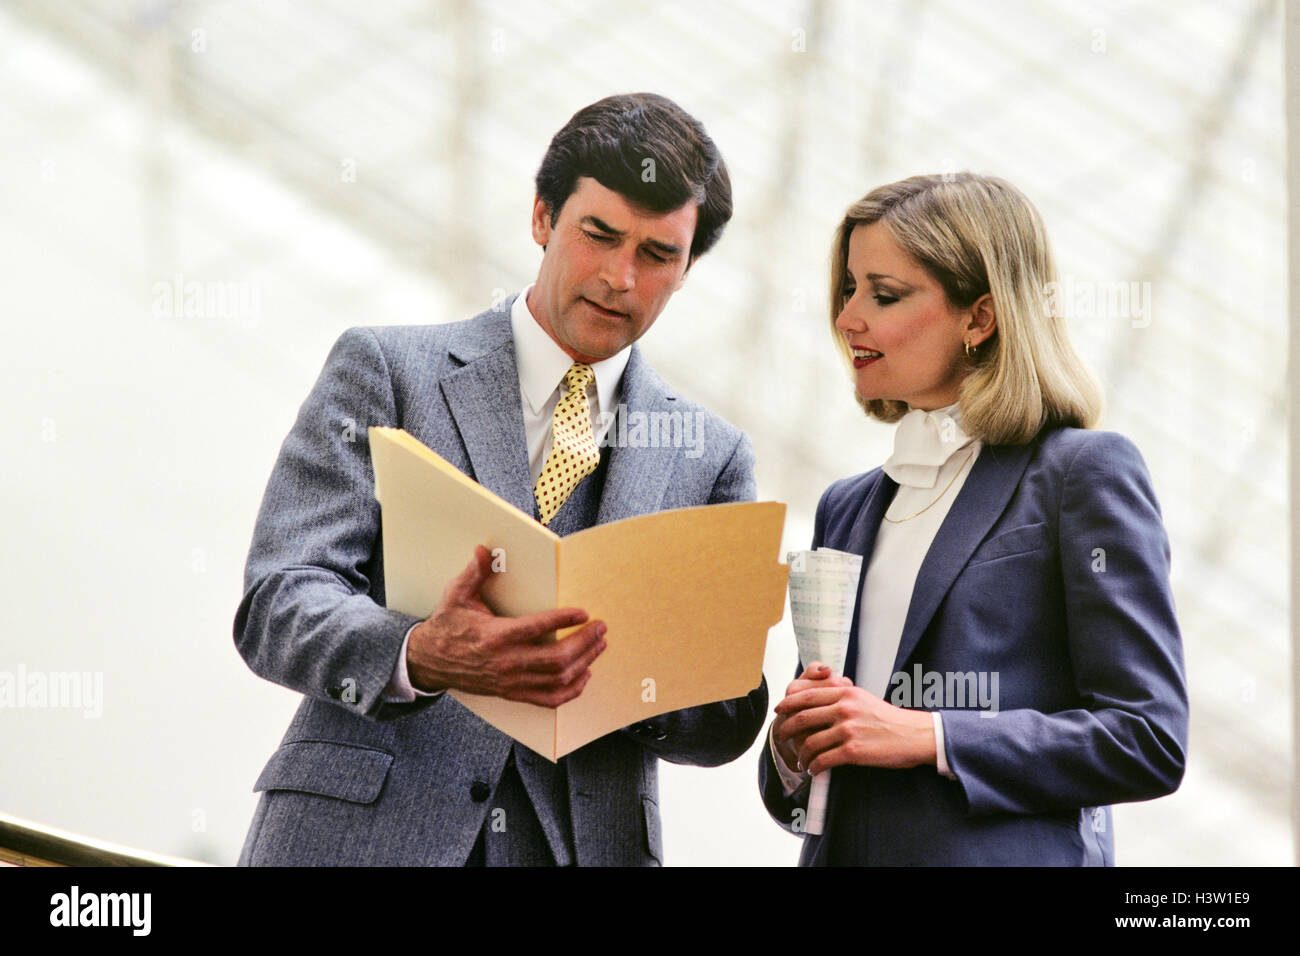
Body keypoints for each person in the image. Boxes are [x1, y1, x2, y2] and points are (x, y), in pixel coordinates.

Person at [235, 92, 767, 867]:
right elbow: (279, 600)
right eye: (600, 235)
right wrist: (417, 652)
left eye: (657, 255)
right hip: (360, 839)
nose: (622, 277)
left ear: (686, 270)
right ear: (543, 219)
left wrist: (633, 676)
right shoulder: (386, 371)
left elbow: (725, 717)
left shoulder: (712, 457)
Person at [759, 173, 1188, 866]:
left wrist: (930, 737)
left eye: (883, 294)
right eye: (847, 289)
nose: (846, 318)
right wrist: (792, 746)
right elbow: (815, 782)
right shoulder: (848, 505)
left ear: (980, 318)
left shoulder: (1082, 474)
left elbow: (1147, 739)